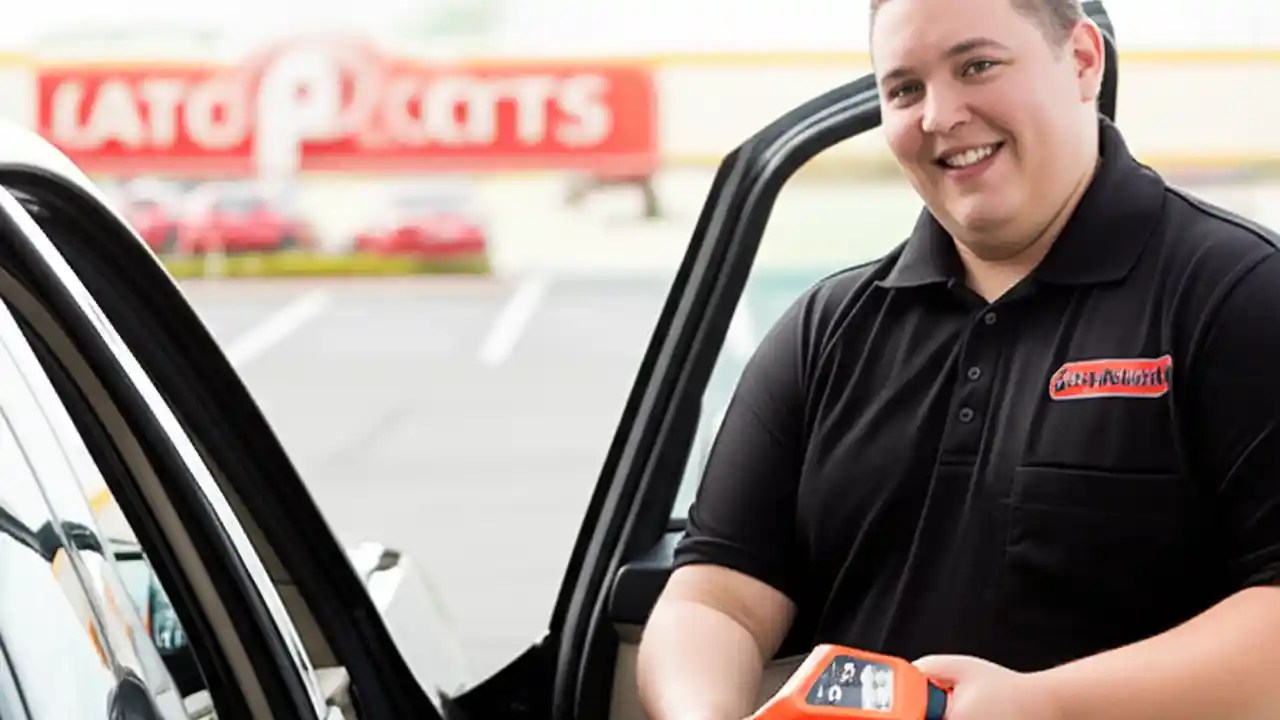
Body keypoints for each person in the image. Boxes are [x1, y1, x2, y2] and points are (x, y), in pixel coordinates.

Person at [636, 0, 1280, 718]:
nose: (940, 115)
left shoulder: (1241, 295)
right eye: (905, 88)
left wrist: (1046, 707)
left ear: (1082, 61)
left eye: (977, 65)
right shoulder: (826, 331)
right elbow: (716, 596)